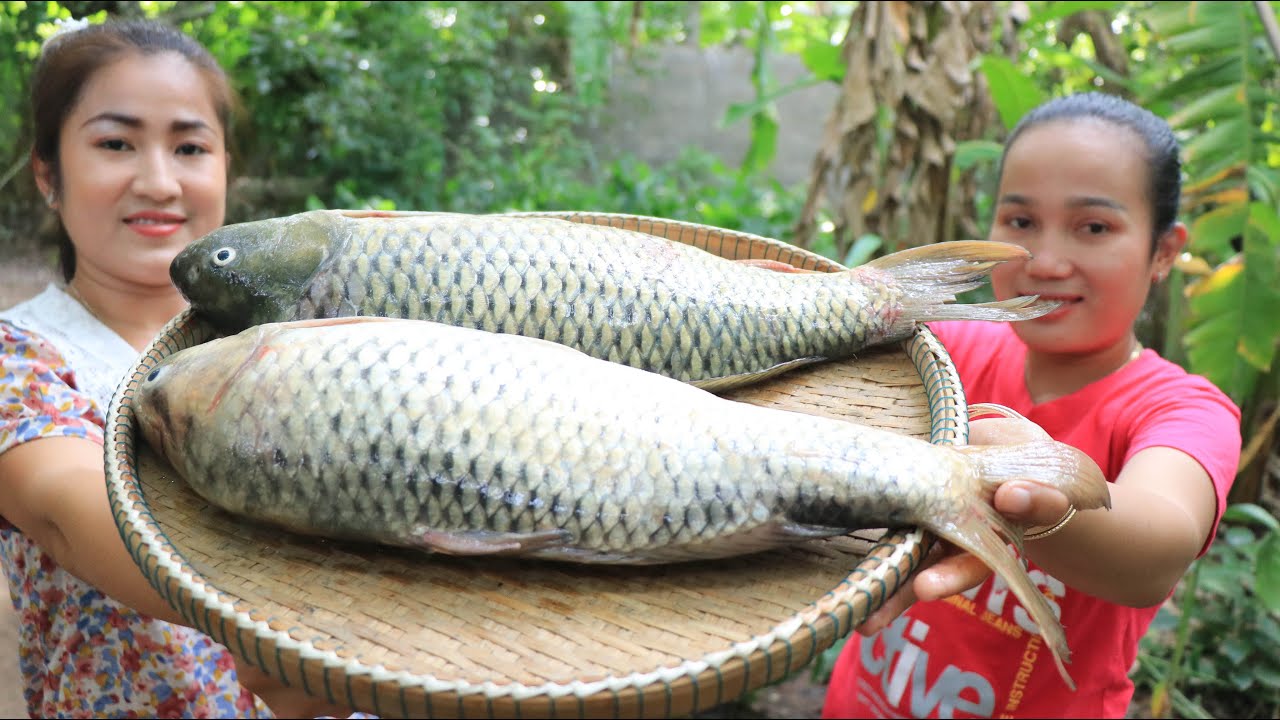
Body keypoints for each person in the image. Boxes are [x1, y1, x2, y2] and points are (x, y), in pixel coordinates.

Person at [821, 92, 1242, 718]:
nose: (1045, 262)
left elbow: (1159, 545)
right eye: (1020, 222)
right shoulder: (942, 348)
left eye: (1093, 228)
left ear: (1162, 252)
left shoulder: (1180, 409)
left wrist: (1033, 490)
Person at [0, 18, 353, 718]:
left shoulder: (304, 340)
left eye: (190, 146)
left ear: (225, 168)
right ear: (48, 174)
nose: (159, 181)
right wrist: (306, 625)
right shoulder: (21, 359)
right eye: (115, 143)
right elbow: (73, 516)